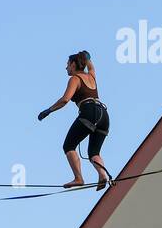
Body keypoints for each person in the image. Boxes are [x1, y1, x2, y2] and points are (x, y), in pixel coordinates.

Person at [38, 51, 113, 191]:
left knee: (69, 146)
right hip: (104, 115)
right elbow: (91, 67)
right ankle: (102, 175)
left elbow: (65, 99)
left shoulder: (75, 79)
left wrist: (48, 110)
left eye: (67, 65)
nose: (66, 68)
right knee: (94, 153)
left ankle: (79, 178)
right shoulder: (91, 76)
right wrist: (88, 58)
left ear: (73, 64)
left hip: (89, 112)